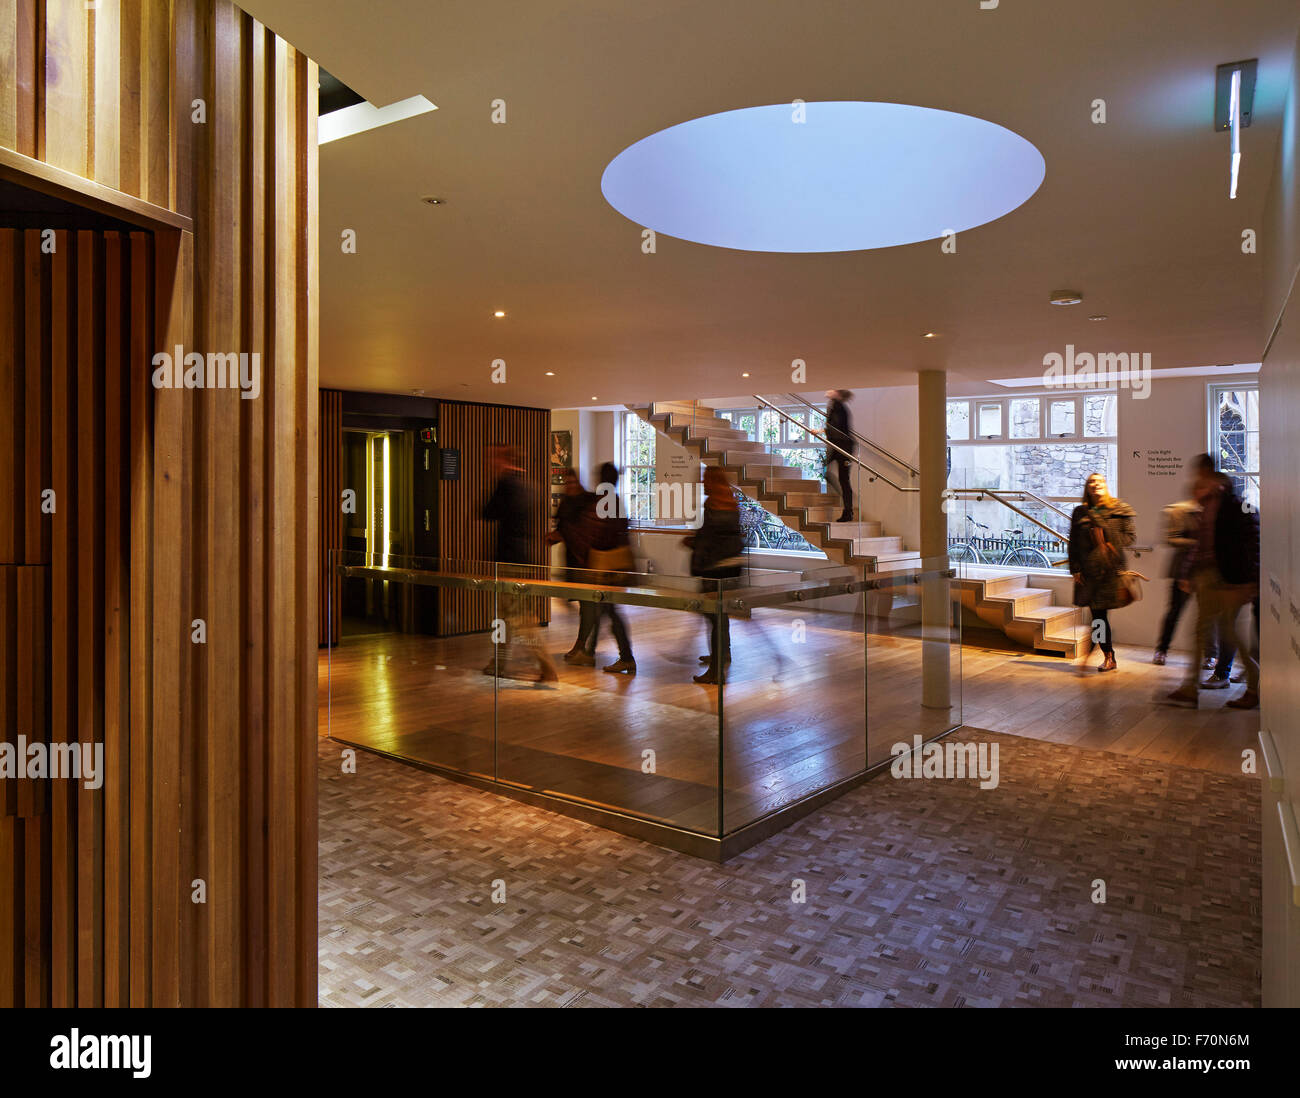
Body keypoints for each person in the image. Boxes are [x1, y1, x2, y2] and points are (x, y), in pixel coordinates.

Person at [1167, 461, 1260, 709]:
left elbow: (1251, 542)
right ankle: (1190, 689)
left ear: (1217, 482)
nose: (1197, 488)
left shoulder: (1236, 506)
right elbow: (1200, 545)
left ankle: (1255, 685)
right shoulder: (1205, 508)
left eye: (1202, 482)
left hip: (1229, 581)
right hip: (1208, 578)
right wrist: (1187, 574)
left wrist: (1248, 582)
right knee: (1201, 632)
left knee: (1232, 635)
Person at [480, 443, 557, 683]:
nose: (489, 462)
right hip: (521, 559)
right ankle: (498, 663)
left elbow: (488, 511)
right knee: (506, 618)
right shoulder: (528, 486)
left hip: (509, 561)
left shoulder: (507, 485)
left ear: (504, 459)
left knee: (520, 620)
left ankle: (547, 669)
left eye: (493, 457)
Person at [1068, 472, 1137, 672]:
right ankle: (1106, 655)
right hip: (1089, 571)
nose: (1095, 484)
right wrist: (1075, 569)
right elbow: (1074, 544)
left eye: (1099, 481)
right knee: (1098, 616)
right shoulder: (1080, 512)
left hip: (1111, 570)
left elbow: (1130, 537)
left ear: (1105, 485)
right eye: (1091, 482)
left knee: (1099, 616)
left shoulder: (1119, 509)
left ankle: (1102, 654)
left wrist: (1107, 540)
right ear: (1087, 488)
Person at [684, 466, 743, 684]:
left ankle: (716, 670)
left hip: (715, 568)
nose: (702, 482)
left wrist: (694, 550)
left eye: (705, 479)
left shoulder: (712, 504)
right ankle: (723, 653)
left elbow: (707, 539)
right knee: (720, 615)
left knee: (713, 615)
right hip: (732, 566)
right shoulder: (731, 502)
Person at [585, 461, 637, 675]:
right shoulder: (615, 500)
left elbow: (603, 534)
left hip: (607, 564)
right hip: (614, 563)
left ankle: (625, 657)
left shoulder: (606, 501)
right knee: (603, 608)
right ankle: (590, 651)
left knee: (608, 609)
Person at [546, 467, 598, 665]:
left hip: (586, 562)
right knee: (590, 606)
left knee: (589, 606)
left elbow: (581, 530)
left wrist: (561, 535)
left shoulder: (587, 501)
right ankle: (586, 648)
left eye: (572, 482)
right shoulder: (568, 503)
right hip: (574, 562)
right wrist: (556, 537)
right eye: (567, 483)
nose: (569, 486)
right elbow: (563, 529)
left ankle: (581, 646)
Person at [823, 389, 856, 524]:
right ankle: (846, 503)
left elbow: (835, 427)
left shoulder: (838, 406)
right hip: (840, 446)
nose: (828, 391)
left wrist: (821, 430)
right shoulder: (835, 405)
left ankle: (847, 507)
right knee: (831, 474)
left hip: (843, 447)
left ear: (838, 395)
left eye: (833, 391)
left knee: (843, 479)